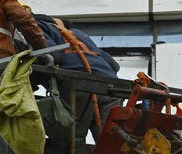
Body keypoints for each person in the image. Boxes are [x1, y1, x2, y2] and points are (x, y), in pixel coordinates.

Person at [24, 11, 120, 143]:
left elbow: (53, 56)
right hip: (111, 86)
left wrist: (29, 79)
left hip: (79, 83)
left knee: (71, 140)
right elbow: (114, 65)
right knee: (109, 142)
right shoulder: (77, 33)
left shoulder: (36, 27)